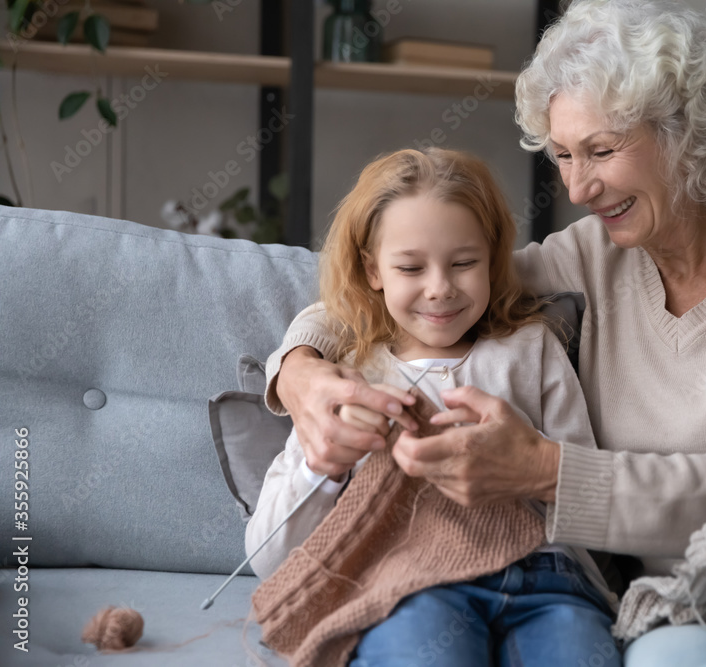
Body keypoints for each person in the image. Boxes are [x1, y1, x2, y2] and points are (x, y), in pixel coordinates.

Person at [263, 2, 706, 666]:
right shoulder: (588, 257)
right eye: (562, 155)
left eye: (602, 150)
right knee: (654, 662)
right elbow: (420, 290)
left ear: (687, 131)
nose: (577, 188)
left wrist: (547, 470)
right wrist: (299, 370)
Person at [246, 147, 622, 667]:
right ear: (372, 270)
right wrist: (325, 466)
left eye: (464, 263)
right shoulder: (350, 378)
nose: (440, 288)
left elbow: (586, 504)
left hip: (546, 582)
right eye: (410, 267)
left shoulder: (531, 350)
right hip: (410, 582)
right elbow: (268, 557)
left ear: (492, 256)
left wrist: (524, 463)